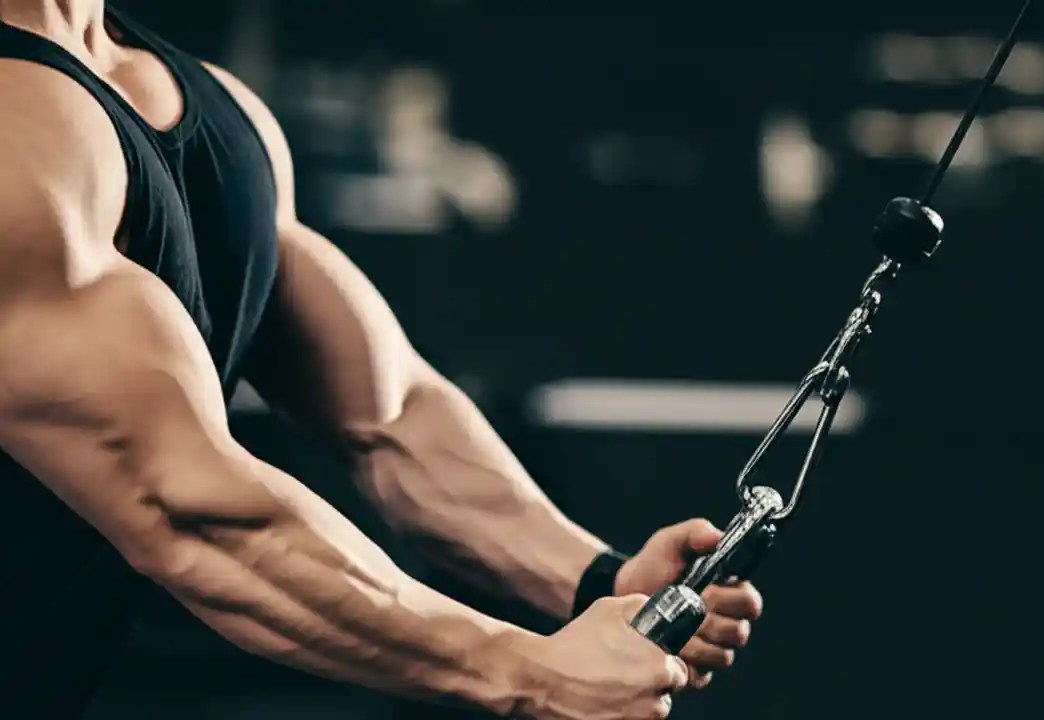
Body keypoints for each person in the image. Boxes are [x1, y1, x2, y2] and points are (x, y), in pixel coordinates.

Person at [0, 2, 763, 718]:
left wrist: (595, 575)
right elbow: (186, 510)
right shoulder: (14, 131)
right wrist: (526, 672)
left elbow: (387, 416)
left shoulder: (201, 103)